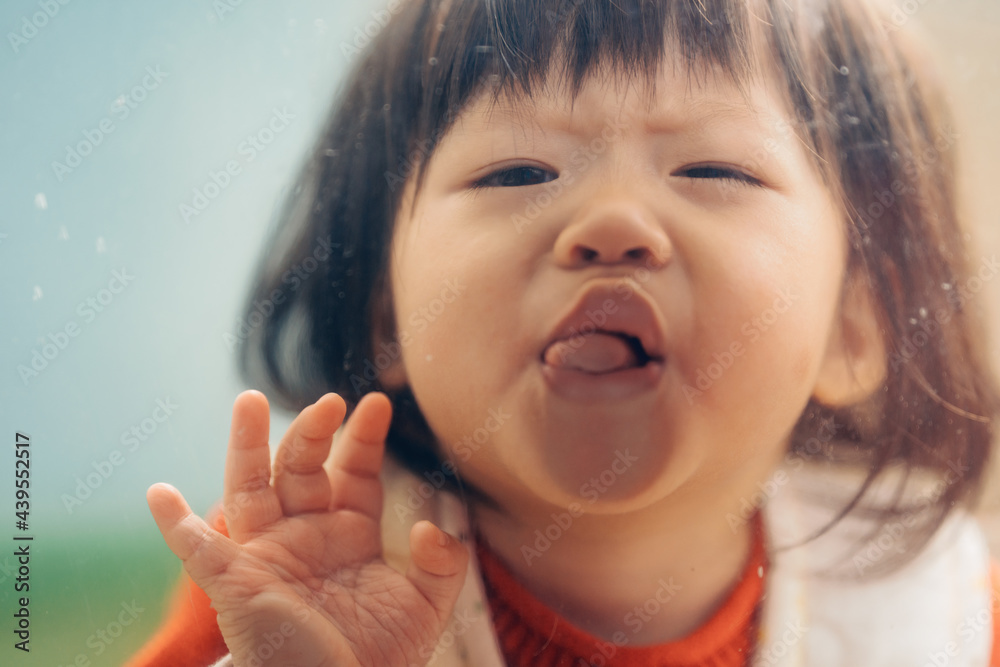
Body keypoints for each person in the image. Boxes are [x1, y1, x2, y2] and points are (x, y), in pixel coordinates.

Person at [127, 0, 1000, 665]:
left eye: (712, 168)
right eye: (517, 171)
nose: (612, 220)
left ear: (855, 321)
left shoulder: (926, 605)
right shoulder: (296, 569)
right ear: (384, 310)